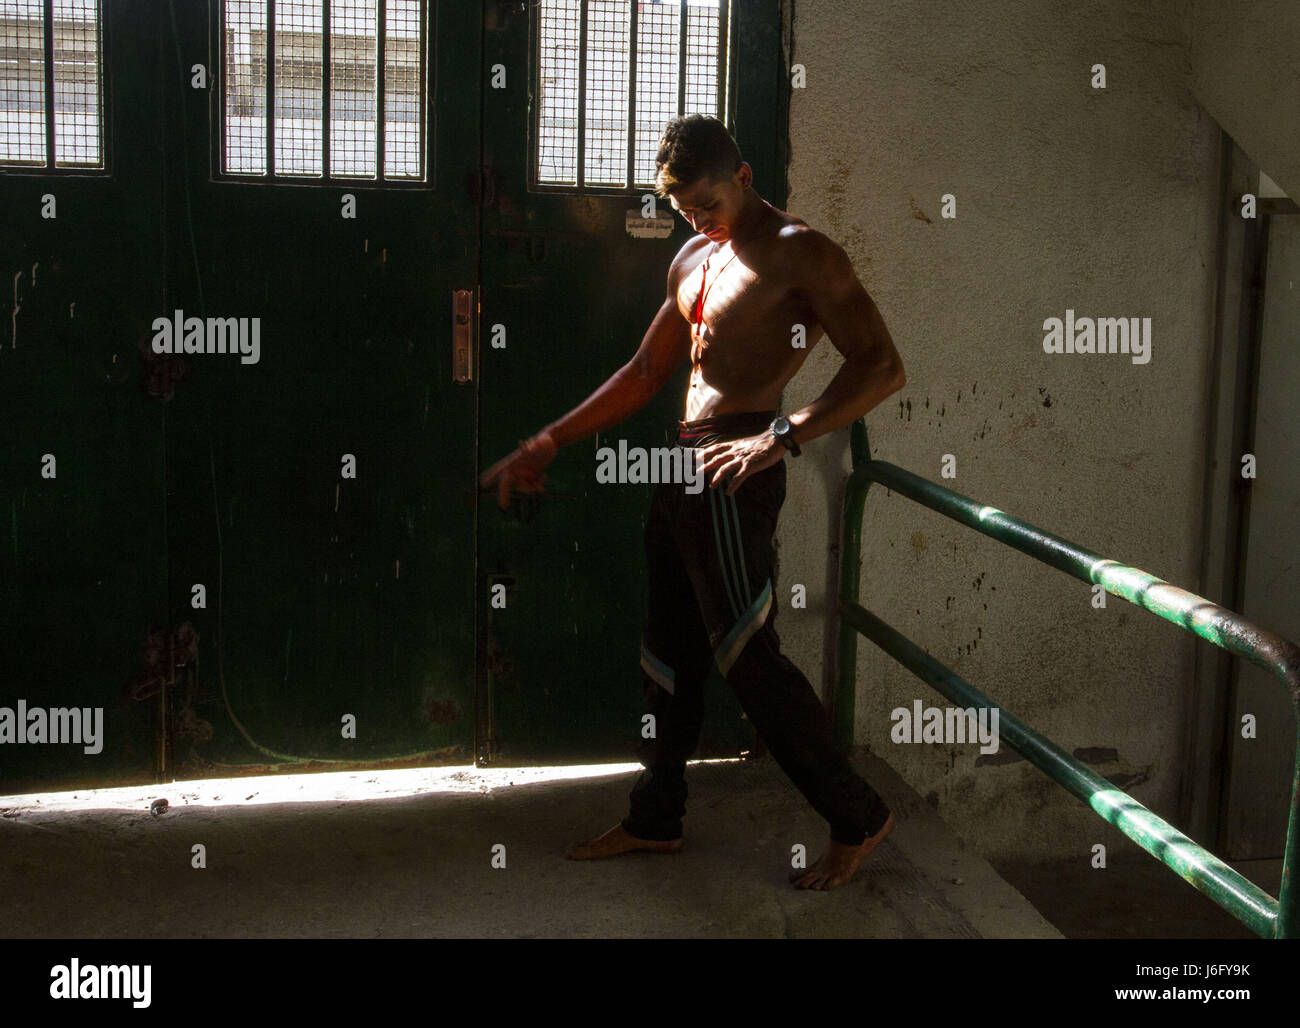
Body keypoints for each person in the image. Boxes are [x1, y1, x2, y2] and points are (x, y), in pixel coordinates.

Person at [479, 114, 906, 890]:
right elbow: (646, 373)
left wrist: (779, 436)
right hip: (680, 460)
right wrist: (551, 440)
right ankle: (656, 817)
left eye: (707, 203)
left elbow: (881, 367)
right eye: (683, 210)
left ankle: (858, 815)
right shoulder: (693, 256)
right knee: (668, 656)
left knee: (747, 656)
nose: (698, 220)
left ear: (743, 177)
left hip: (736, 463)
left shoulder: (800, 253)